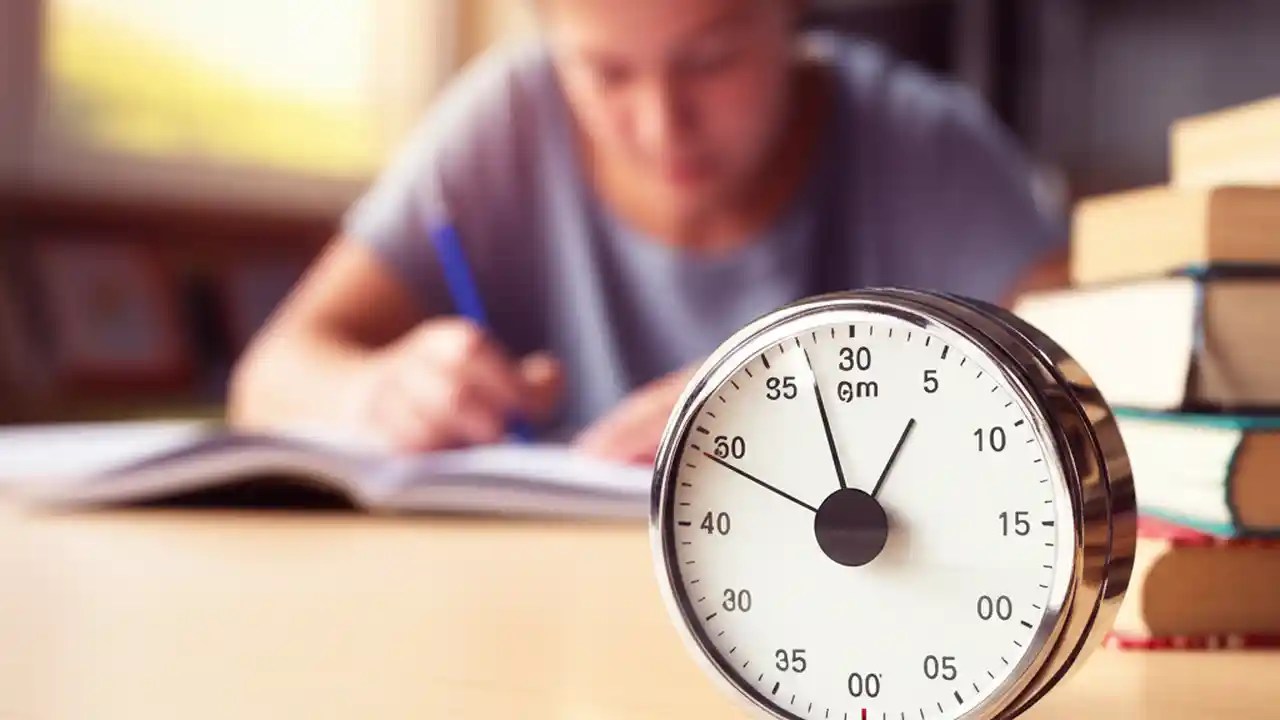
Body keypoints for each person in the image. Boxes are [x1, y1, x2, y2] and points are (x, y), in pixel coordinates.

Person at [229, 0, 1066, 464]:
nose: (664, 126)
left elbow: (1104, 393)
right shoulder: (504, 121)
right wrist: (372, 392)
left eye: (711, 60)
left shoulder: (928, 146)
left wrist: (841, 407)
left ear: (790, 17)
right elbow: (270, 377)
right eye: (607, 72)